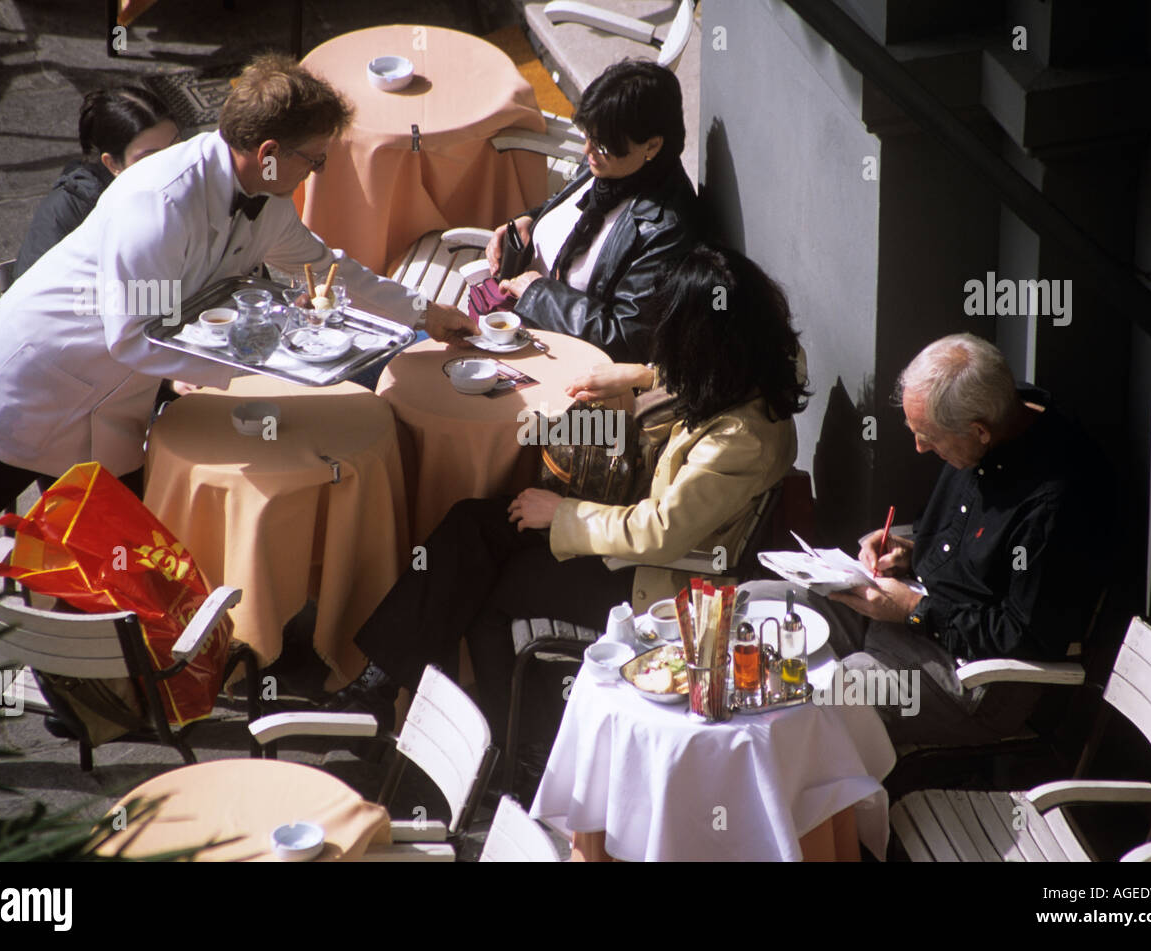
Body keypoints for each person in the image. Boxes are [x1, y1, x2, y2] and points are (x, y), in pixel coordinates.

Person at [0, 53, 474, 581]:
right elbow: (133, 339)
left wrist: (427, 312)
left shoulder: (269, 202)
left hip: (103, 418)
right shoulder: (158, 204)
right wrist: (264, 364)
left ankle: (102, 666)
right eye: (316, 158)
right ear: (270, 153)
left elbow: (329, 270)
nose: (319, 171)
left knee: (125, 564)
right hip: (12, 398)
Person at [327, 244, 810, 735]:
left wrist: (562, 514)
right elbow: (716, 370)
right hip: (632, 535)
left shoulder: (741, 440)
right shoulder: (758, 363)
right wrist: (641, 374)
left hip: (658, 579)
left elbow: (661, 532)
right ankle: (380, 687)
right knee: (471, 524)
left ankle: (508, 746)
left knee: (484, 584)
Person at [797, 333, 1111, 746]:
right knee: (767, 603)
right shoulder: (990, 415)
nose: (920, 446)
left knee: (824, 695)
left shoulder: (1050, 502)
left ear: (979, 432)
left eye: (929, 436)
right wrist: (911, 554)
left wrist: (914, 611)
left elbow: (1021, 635)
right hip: (911, 616)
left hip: (973, 677)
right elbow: (976, 553)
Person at [483, 60, 701, 363]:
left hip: (559, 358)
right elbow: (569, 210)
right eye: (588, 136)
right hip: (520, 320)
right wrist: (529, 221)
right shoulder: (613, 168)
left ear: (651, 145)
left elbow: (626, 339)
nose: (587, 151)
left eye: (603, 145)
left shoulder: (666, 230)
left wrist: (538, 293)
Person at [13, 85, 180, 281]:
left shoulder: (191, 180)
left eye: (177, 148)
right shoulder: (70, 210)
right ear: (112, 164)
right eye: (150, 158)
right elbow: (36, 295)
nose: (171, 164)